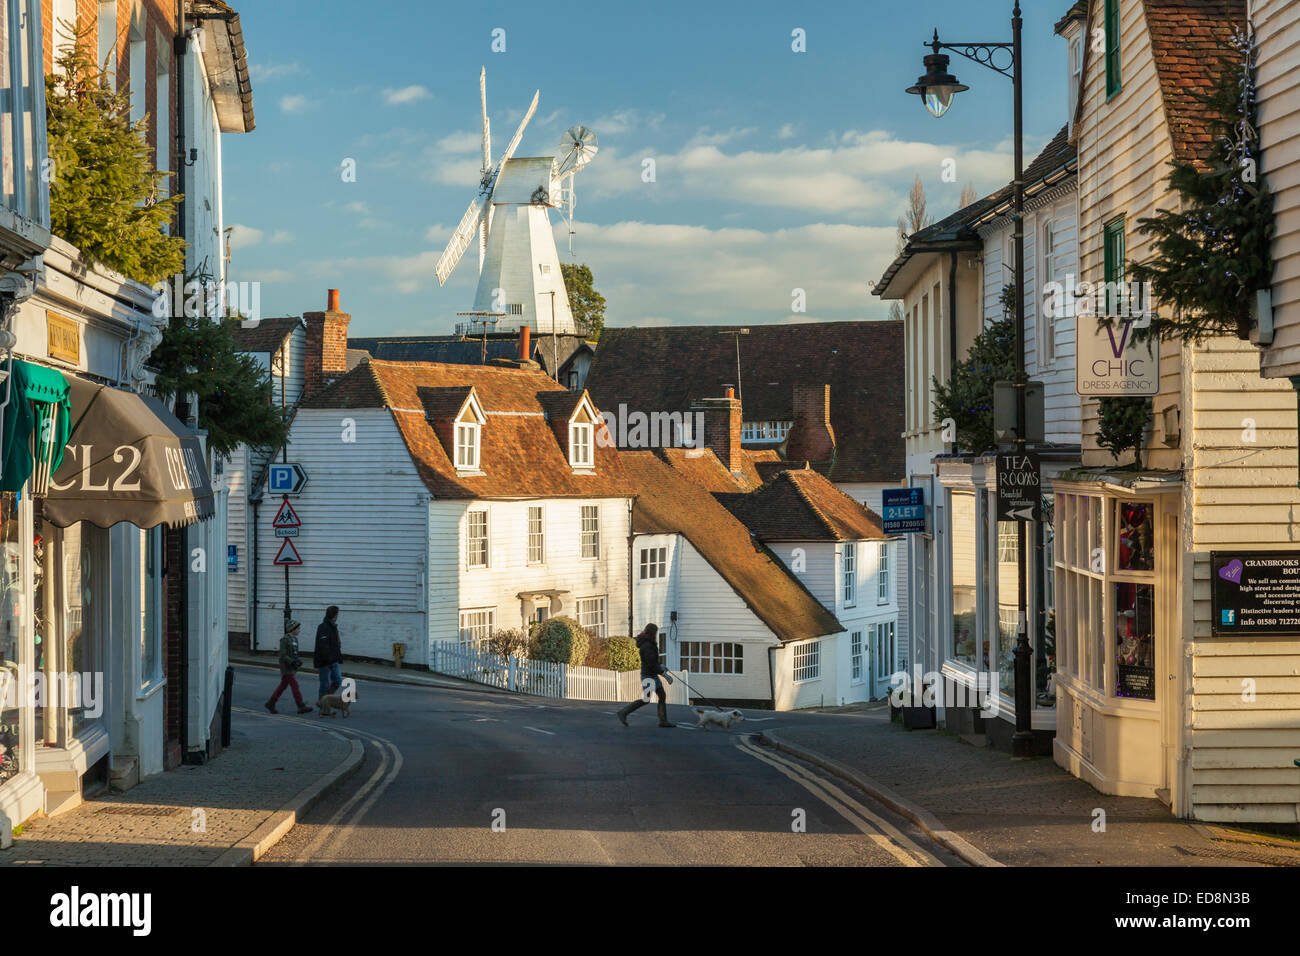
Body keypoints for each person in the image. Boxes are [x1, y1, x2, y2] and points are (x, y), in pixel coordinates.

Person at [616, 623, 675, 728]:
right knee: (646, 699)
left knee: (661, 695)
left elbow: (653, 661)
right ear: (653, 632)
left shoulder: (648, 643)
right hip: (648, 676)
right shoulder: (648, 645)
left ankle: (663, 720)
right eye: (655, 632)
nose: (656, 634)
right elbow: (651, 664)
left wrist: (661, 665)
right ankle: (623, 712)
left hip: (650, 674)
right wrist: (664, 674)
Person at [266, 619, 313, 714]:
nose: (299, 630)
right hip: (286, 667)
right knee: (294, 685)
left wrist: (298, 661)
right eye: (298, 628)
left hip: (292, 666)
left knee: (283, 686)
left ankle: (271, 702)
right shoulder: (285, 640)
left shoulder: (295, 639)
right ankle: (300, 705)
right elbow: (283, 655)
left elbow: (294, 653)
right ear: (292, 629)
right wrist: (292, 662)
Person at [314, 606, 343, 702]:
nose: (338, 616)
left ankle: (326, 700)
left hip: (333, 659)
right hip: (324, 661)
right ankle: (323, 705)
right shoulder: (323, 627)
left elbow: (335, 644)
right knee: (324, 684)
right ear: (334, 615)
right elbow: (323, 646)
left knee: (338, 681)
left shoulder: (333, 626)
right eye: (337, 614)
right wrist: (329, 660)